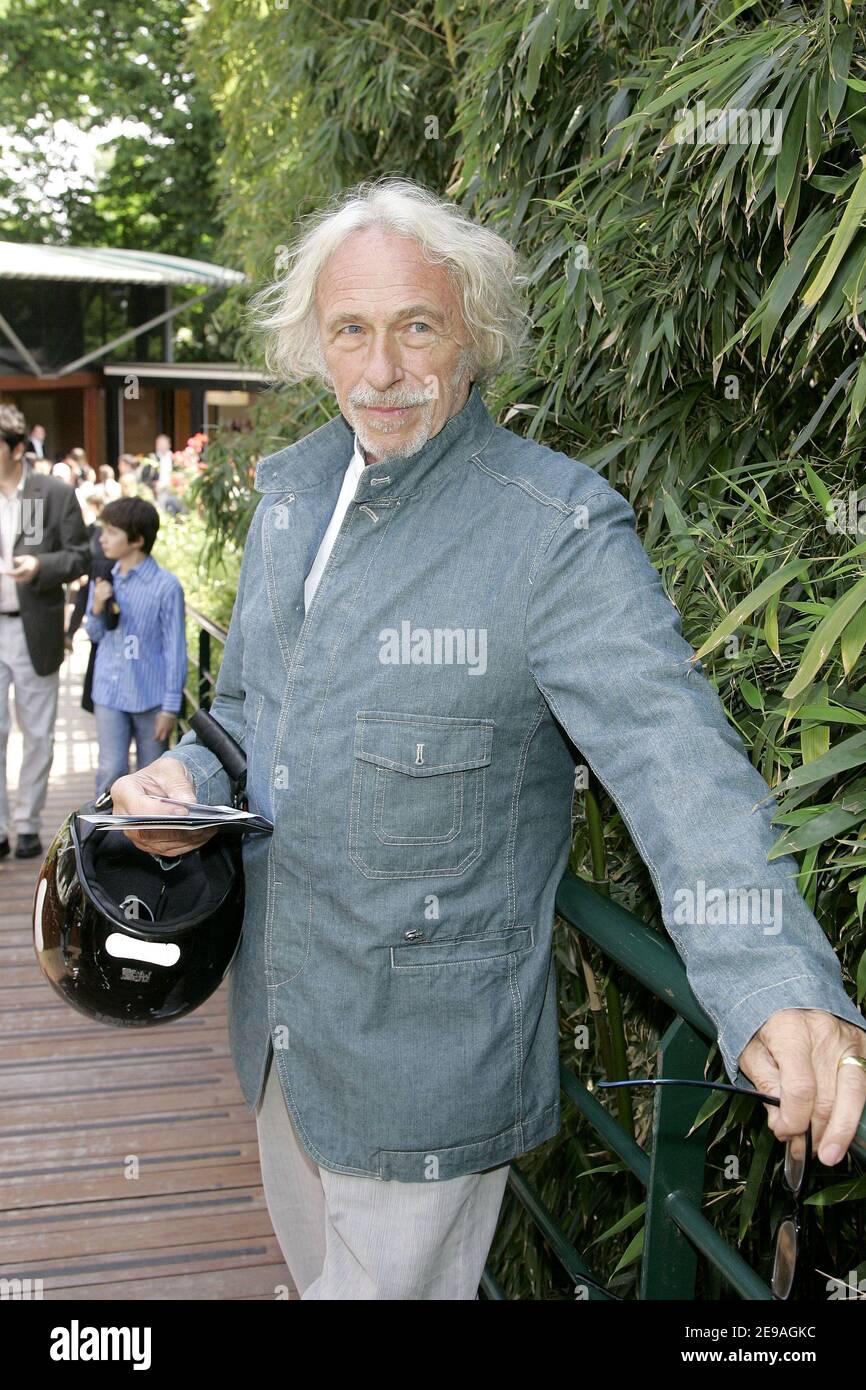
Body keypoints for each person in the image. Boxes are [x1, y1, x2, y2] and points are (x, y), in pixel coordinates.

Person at [107, 177, 866, 1301]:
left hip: (421, 1075)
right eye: (350, 332)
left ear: (475, 332)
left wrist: (773, 974)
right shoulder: (293, 500)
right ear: (312, 346)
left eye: (417, 327)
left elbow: (671, 755)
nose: (381, 372)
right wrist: (191, 772)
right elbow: (255, 710)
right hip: (278, 1029)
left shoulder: (553, 533)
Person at [0, 402, 90, 858]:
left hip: (34, 628)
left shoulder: (50, 493)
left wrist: (40, 565)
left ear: (17, 449)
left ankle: (28, 823)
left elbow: (81, 556)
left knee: (37, 733)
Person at [84, 496, 186, 798]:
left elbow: (175, 649)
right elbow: (94, 633)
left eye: (112, 531)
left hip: (150, 697)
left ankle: (149, 844)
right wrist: (98, 605)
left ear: (137, 539)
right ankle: (102, 842)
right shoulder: (103, 577)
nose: (103, 538)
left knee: (153, 778)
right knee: (110, 771)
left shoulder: (166, 586)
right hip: (109, 693)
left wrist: (170, 707)